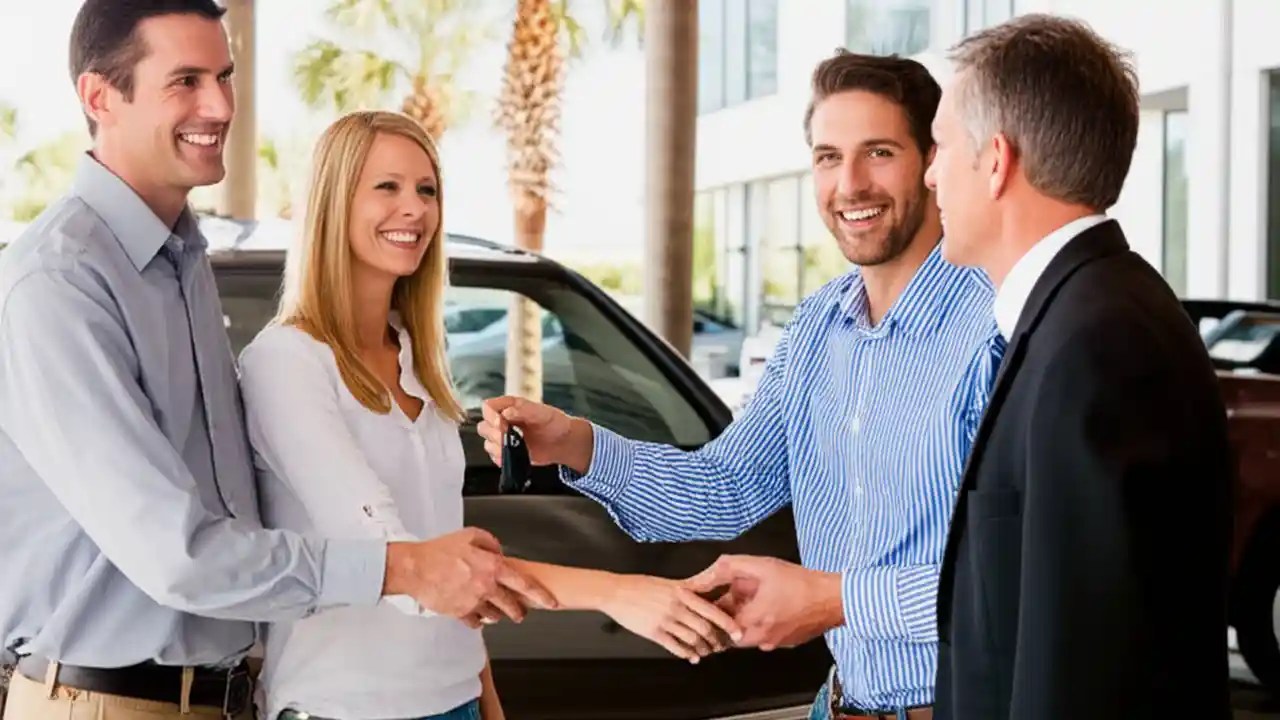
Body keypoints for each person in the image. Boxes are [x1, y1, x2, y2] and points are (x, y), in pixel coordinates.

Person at [0, 4, 552, 720]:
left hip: (221, 697)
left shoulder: (181, 259)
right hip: (102, 701)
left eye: (225, 77)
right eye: (186, 81)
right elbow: (179, 556)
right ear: (100, 97)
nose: (221, 105)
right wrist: (400, 566)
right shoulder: (61, 282)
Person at [480, 50, 1004, 719]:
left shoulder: (992, 329)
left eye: (878, 153)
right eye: (826, 157)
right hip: (841, 704)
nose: (850, 185)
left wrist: (832, 598)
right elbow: (725, 489)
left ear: (932, 163)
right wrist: (579, 444)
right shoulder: (818, 326)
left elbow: (1018, 578)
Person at [238, 110, 740, 720]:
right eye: (387, 187)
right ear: (332, 202)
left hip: (457, 701)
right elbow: (404, 564)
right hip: (341, 707)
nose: (416, 210)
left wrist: (487, 704)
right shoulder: (286, 362)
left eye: (427, 190)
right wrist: (618, 592)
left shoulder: (416, 356)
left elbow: (453, 576)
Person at [925, 14, 1233, 719]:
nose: (931, 171)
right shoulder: (1086, 317)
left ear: (996, 161)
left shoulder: (1098, 345)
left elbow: (1084, 672)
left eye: (940, 145)